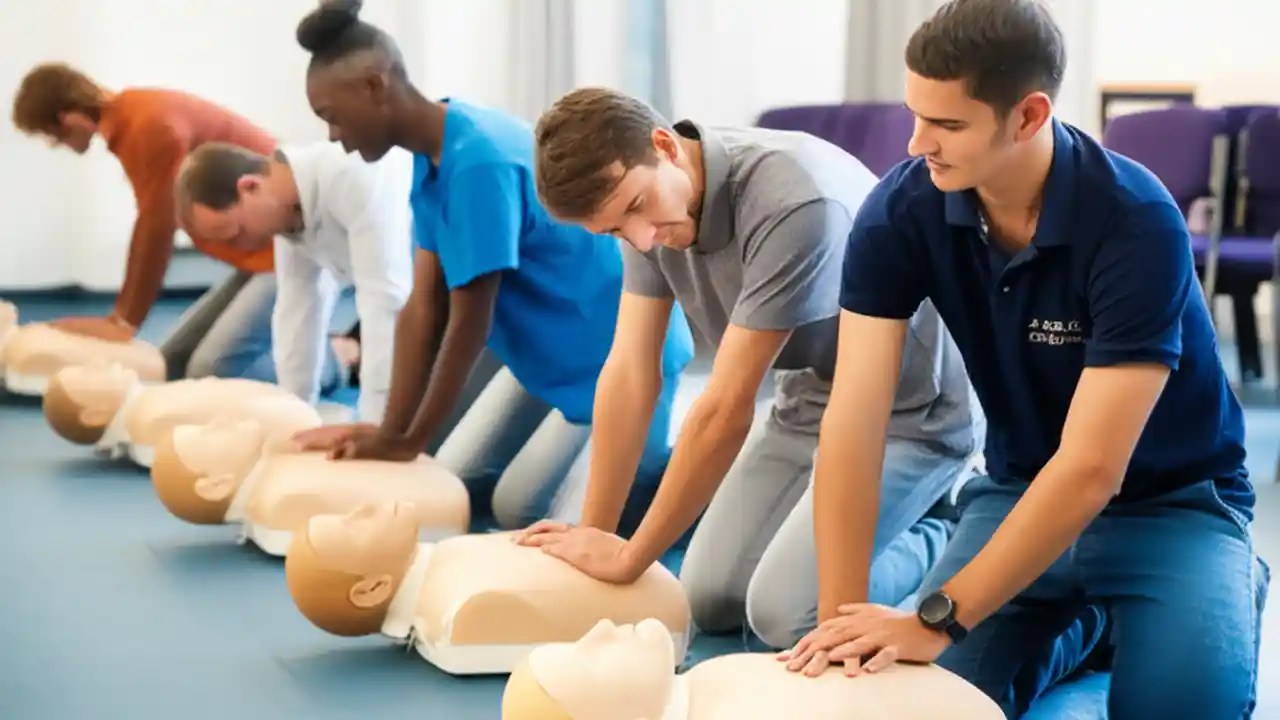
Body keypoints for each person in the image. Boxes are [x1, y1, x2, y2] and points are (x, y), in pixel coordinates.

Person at [780, 1, 1269, 718]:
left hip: (1176, 505)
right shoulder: (900, 210)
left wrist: (936, 620)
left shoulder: (1135, 219)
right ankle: (1084, 624)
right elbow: (854, 417)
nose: (918, 144)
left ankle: (1212, 586)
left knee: (1179, 706)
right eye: (916, 116)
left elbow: (1093, 468)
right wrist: (841, 618)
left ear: (1030, 116)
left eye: (947, 125)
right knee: (919, 701)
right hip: (1017, 492)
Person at [516, 86, 984, 650]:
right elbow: (631, 372)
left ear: (664, 146)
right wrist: (596, 534)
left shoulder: (793, 203)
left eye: (636, 209)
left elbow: (724, 409)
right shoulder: (644, 209)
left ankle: (944, 524)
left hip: (912, 414)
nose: (640, 239)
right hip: (810, 401)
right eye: (615, 230)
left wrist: (632, 556)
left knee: (787, 615)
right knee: (710, 597)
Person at [287, 0, 695, 530]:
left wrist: (407, 440)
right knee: (514, 507)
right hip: (557, 361)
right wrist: (391, 432)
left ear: (374, 86)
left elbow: (467, 321)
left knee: (570, 528)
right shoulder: (432, 155)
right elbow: (422, 306)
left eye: (332, 117)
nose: (333, 137)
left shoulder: (479, 160)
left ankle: (691, 475)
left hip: (630, 361)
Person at [9, 63, 301, 383]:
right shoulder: (133, 115)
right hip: (262, 253)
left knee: (213, 369)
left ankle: (336, 357)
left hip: (291, 248)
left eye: (51, 137)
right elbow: (156, 219)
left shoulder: (145, 125)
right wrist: (123, 320)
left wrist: (123, 322)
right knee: (170, 365)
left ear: (68, 120)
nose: (56, 145)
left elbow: (156, 227)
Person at [174, 140, 416, 422]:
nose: (239, 248)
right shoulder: (288, 211)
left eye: (236, 233)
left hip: (465, 301)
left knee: (446, 451)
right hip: (422, 301)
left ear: (250, 186)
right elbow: (298, 313)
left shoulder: (352, 177)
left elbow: (386, 307)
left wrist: (376, 426)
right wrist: (296, 414)